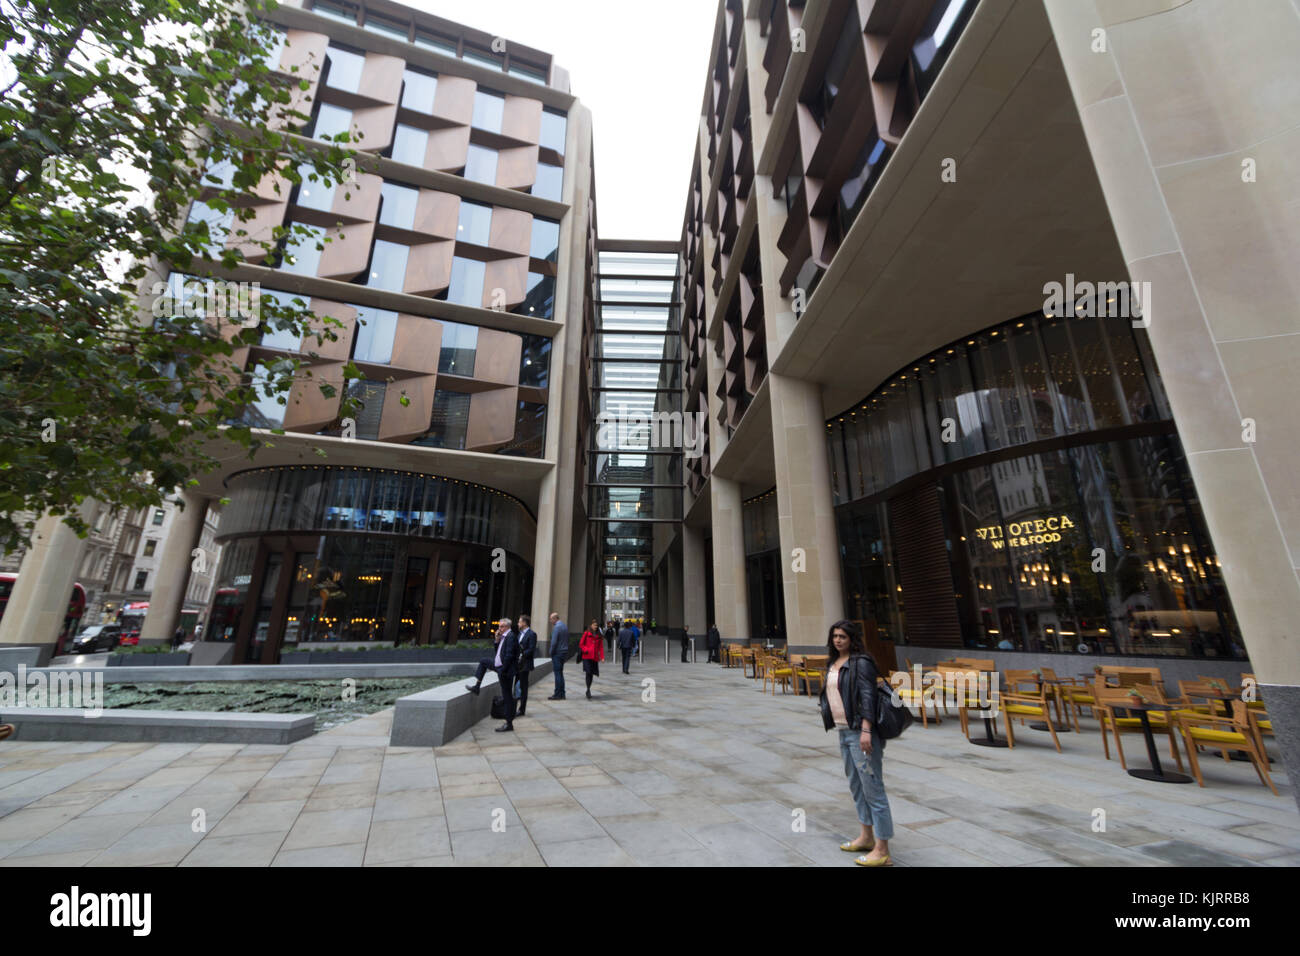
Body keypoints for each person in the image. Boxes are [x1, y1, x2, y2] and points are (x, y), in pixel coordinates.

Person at [819, 619, 894, 866]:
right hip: (843, 731)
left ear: (852, 638)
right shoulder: (834, 662)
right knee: (856, 786)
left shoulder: (861, 662)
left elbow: (867, 696)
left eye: (842, 636)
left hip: (861, 733)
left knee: (873, 788)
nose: (838, 640)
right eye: (835, 636)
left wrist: (865, 729)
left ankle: (882, 849)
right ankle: (866, 836)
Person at [465, 618, 520, 732]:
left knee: (507, 696)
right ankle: (477, 687)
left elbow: (509, 656)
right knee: (484, 661)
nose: (499, 628)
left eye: (502, 626)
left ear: (508, 627)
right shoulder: (504, 637)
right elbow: (498, 653)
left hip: (505, 670)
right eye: (499, 626)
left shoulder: (511, 637)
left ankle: (509, 723)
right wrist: (496, 640)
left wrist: (502, 670)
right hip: (499, 666)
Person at [515, 614, 537, 717]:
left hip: (525, 664)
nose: (518, 623)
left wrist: (522, 654)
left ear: (524, 623)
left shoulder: (532, 634)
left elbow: (531, 649)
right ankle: (514, 706)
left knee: (523, 687)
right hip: (517, 664)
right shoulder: (519, 634)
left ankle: (522, 709)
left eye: (519, 621)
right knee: (516, 685)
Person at [579, 619, 604, 699]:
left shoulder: (599, 636)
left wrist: (602, 657)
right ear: (591, 625)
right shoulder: (586, 633)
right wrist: (586, 649)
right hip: (587, 656)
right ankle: (588, 689)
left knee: (591, 673)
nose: (595, 627)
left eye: (596, 625)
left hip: (594, 657)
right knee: (588, 672)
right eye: (594, 625)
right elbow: (581, 644)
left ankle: (588, 688)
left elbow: (601, 647)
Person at [547, 612, 569, 700]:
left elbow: (554, 642)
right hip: (564, 652)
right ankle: (562, 693)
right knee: (560, 673)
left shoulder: (557, 627)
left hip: (557, 653)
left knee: (557, 674)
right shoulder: (564, 626)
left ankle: (557, 694)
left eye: (551, 619)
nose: (550, 621)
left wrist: (551, 652)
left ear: (555, 618)